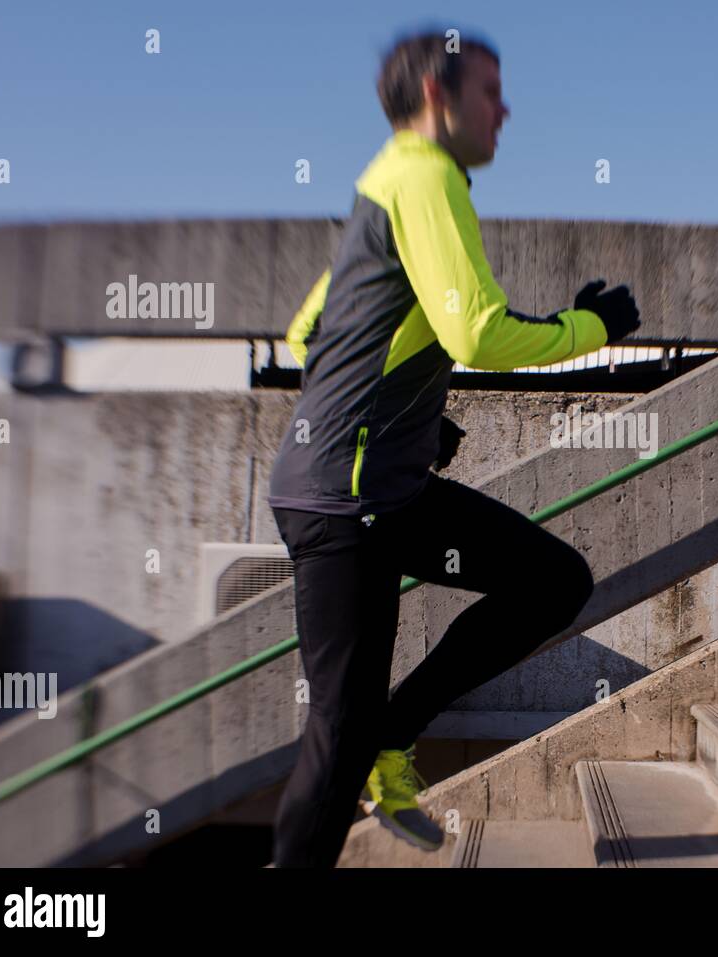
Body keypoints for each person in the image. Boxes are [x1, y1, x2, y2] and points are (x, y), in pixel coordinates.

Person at [267, 29, 641, 866]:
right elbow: (475, 329)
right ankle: (371, 753)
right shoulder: (426, 175)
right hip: (346, 504)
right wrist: (592, 329)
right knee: (338, 732)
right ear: (439, 98)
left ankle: (398, 734)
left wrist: (403, 420)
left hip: (381, 494)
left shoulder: (386, 184)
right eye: (490, 91)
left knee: (552, 580)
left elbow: (307, 334)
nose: (505, 109)